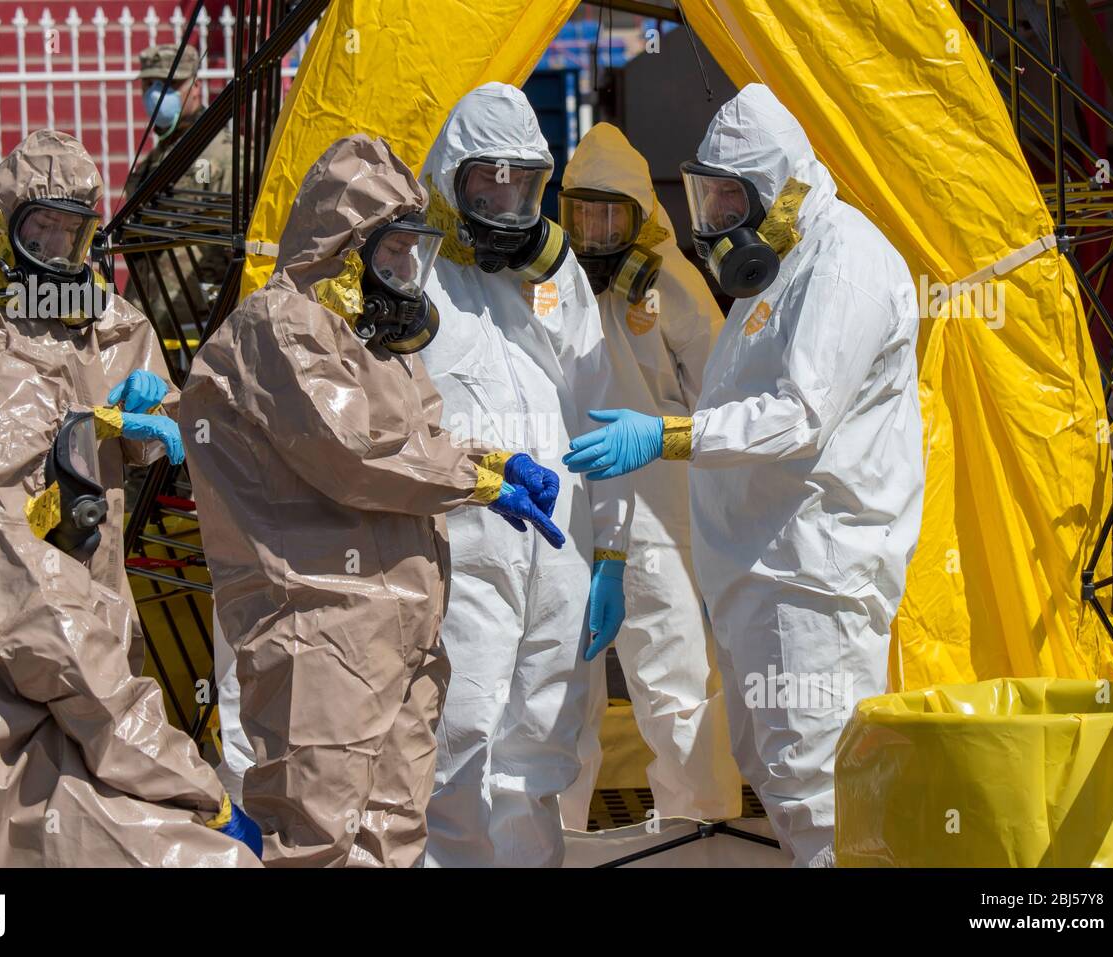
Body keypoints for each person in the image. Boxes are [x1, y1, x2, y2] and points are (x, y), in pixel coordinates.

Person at [563, 84, 925, 866]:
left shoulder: (844, 264)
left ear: (777, 187)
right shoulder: (785, 267)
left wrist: (665, 436)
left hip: (812, 579)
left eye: (733, 198)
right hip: (761, 573)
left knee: (816, 785)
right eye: (710, 197)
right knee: (777, 769)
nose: (719, 217)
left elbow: (799, 414)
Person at [179, 133, 564, 868]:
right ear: (345, 246)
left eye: (413, 251)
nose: (406, 270)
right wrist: (479, 482)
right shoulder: (280, 325)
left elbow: (417, 440)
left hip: (401, 631)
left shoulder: (374, 338)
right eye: (392, 251)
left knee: (393, 833)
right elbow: (354, 455)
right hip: (317, 632)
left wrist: (495, 461)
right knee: (315, 837)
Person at [0, 129, 261, 867]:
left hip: (89, 578)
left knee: (95, 716)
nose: (57, 248)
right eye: (42, 229)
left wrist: (155, 408)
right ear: (5, 224)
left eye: (72, 231)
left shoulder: (104, 316)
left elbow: (164, 435)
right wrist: (88, 423)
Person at [415, 83, 635, 867]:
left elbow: (598, 403)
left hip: (558, 555)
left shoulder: (555, 272)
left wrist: (612, 551)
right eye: (488, 182)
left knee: (538, 757)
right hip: (462, 550)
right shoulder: (413, 272)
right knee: (456, 748)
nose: (507, 204)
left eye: (524, 184)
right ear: (453, 178)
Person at [555, 122, 742, 825]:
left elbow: (722, 402)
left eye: (612, 218)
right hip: (571, 514)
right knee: (560, 691)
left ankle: (699, 834)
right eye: (583, 217)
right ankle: (551, 841)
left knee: (676, 686)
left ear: (641, 217)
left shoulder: (673, 285)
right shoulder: (551, 283)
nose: (596, 235)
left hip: (660, 517)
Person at [122, 43, 235, 334]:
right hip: (150, 317)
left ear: (195, 86)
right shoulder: (155, 159)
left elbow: (237, 243)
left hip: (197, 322)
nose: (156, 94)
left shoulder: (224, 155)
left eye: (170, 84)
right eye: (149, 84)